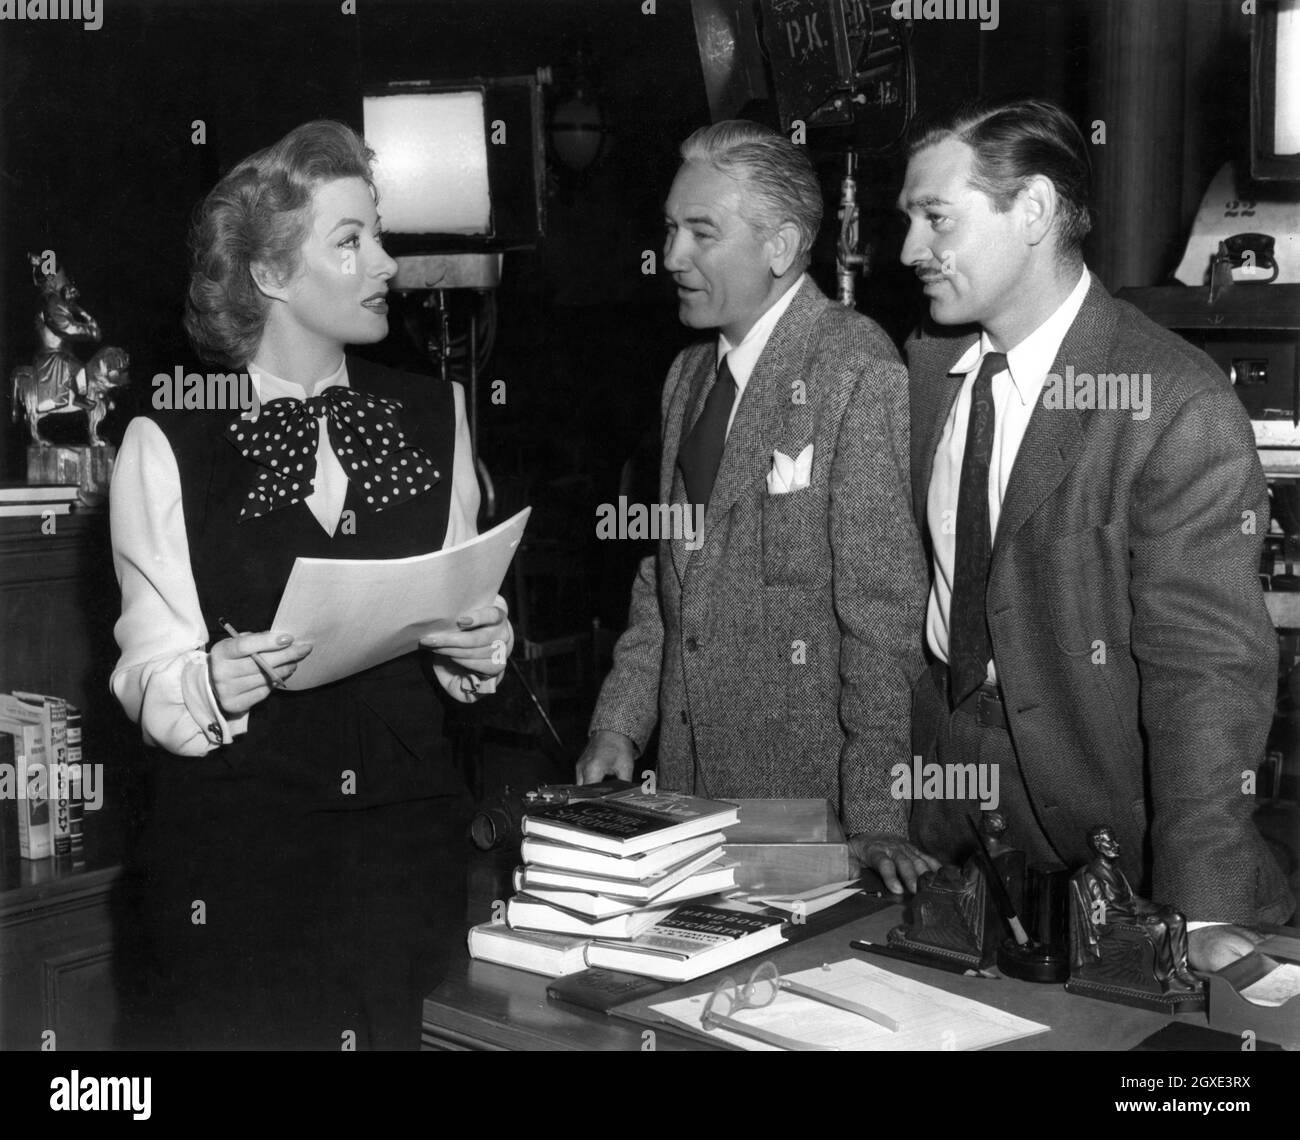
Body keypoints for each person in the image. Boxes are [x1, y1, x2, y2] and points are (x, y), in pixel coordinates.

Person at [109, 119, 513, 1049]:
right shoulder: (165, 442)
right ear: (270, 276)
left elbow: (458, 601)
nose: (389, 266)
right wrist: (209, 682)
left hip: (408, 849)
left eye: (379, 234)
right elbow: (148, 669)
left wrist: (475, 650)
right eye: (352, 240)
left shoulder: (435, 412)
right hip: (244, 855)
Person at [898, 97, 1292, 971]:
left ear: (1032, 210)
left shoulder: (1173, 403)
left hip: (1117, 870)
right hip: (944, 844)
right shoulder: (929, 367)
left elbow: (1206, 677)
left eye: (935, 219)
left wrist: (1201, 921)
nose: (909, 251)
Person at [576, 120, 933, 892]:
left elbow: (882, 623)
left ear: (781, 247)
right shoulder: (685, 379)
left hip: (810, 817)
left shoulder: (855, 370)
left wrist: (877, 818)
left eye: (702, 233)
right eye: (671, 230)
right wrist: (619, 722)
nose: (672, 257)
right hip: (684, 800)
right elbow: (665, 583)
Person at [1070, 825, 1198, 991]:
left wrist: (1160, 909)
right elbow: (1101, 914)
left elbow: (1132, 900)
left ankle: (1181, 969)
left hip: (1128, 915)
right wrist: (1138, 919)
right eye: (1111, 842)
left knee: (1176, 918)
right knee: (1158, 927)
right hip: (1110, 926)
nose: (1116, 845)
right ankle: (1167, 977)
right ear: (1098, 845)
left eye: (1115, 840)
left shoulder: (1115, 870)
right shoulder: (1091, 876)